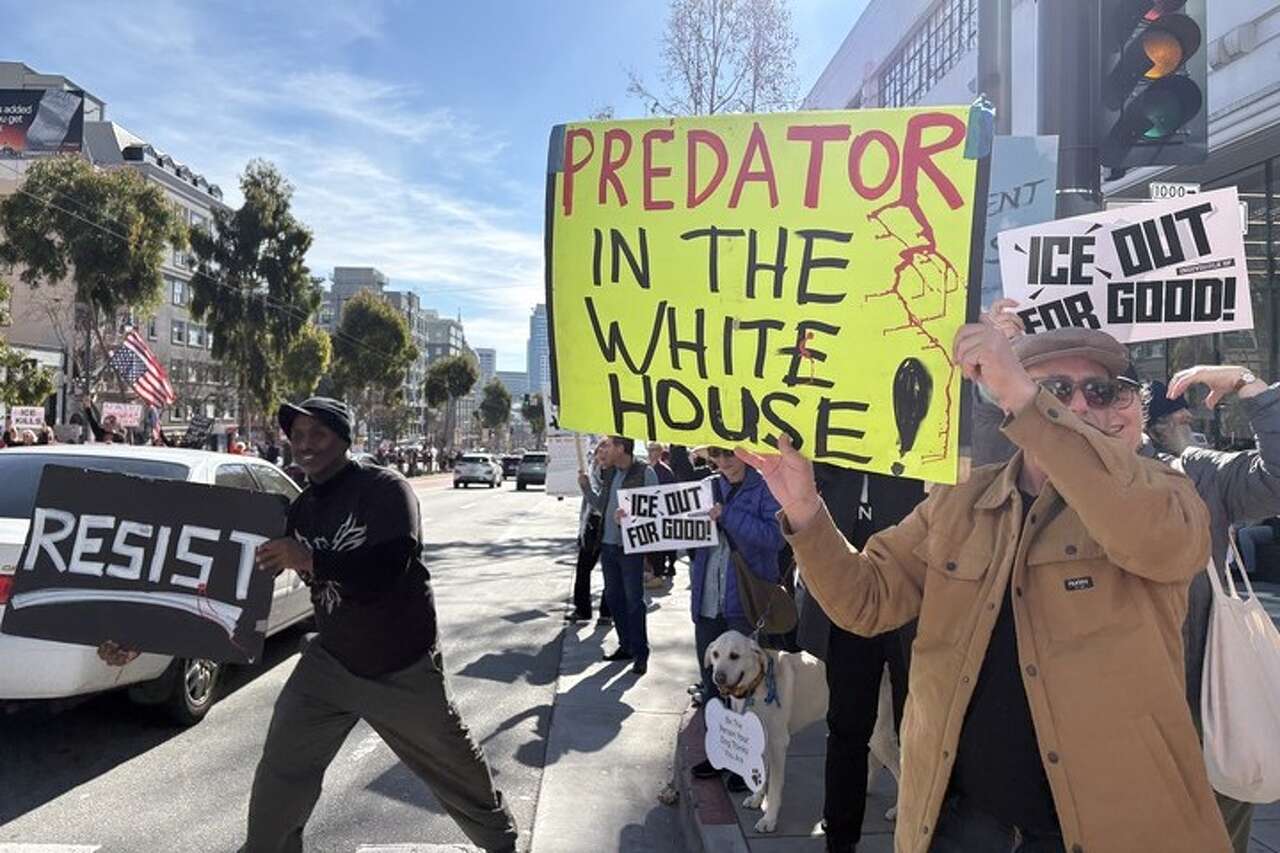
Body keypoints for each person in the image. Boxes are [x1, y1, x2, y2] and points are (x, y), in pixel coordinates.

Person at [739, 324, 1231, 853]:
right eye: (1056, 390)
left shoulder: (1166, 493)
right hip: (959, 825)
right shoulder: (961, 501)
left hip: (1113, 830)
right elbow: (866, 599)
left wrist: (1027, 395)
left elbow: (1152, 539)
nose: (1078, 405)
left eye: (1100, 390)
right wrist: (805, 510)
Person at [241, 396, 517, 853]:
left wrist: (310, 558)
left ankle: (502, 842)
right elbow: (248, 573)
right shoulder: (301, 508)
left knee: (456, 769)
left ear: (343, 440)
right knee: (282, 770)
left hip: (400, 664)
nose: (305, 444)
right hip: (329, 662)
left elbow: (390, 566)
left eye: (318, 434)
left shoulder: (386, 488)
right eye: (298, 435)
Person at [1143, 365, 1280, 853]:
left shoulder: (1195, 471)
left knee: (1218, 827)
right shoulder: (1064, 475)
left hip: (1207, 693)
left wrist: (1248, 385)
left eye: (1114, 395)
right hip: (1115, 713)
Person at [796, 464, 922, 853]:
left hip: (912, 596)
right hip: (847, 597)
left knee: (918, 733)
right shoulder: (828, 462)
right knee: (847, 729)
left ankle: (922, 839)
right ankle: (839, 840)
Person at [578, 436, 657, 676]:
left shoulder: (645, 473)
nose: (604, 449)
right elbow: (602, 506)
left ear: (621, 448)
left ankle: (641, 653)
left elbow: (657, 510)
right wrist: (586, 488)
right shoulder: (611, 473)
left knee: (634, 601)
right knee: (614, 598)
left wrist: (631, 517)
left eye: (609, 445)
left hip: (630, 548)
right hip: (608, 545)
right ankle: (626, 645)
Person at [566, 441, 613, 626]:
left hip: (609, 525)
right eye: (600, 450)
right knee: (583, 568)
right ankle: (582, 609)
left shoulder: (613, 473)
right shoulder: (593, 469)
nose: (602, 454)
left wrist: (586, 487)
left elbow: (601, 504)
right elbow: (587, 505)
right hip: (592, 524)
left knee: (610, 571)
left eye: (606, 450)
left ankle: (607, 613)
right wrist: (582, 528)